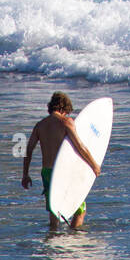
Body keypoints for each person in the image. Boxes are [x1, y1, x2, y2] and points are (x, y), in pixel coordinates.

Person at [22, 91, 100, 230]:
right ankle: (74, 238)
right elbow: (80, 146)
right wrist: (94, 165)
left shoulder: (40, 125)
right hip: (64, 172)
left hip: (47, 172)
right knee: (80, 210)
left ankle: (53, 239)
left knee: (54, 210)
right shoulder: (66, 123)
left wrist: (25, 174)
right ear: (63, 108)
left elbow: (28, 150)